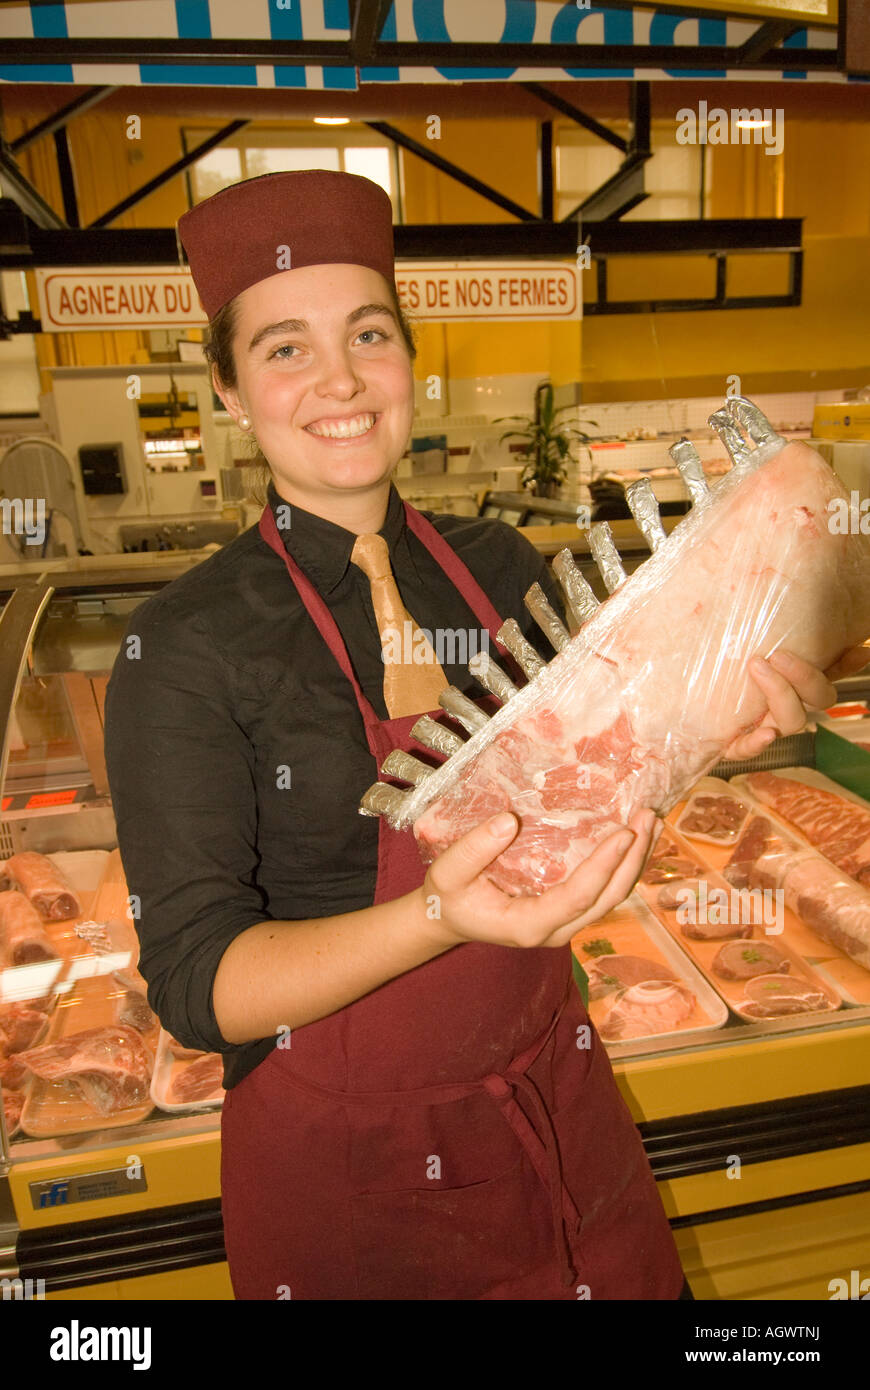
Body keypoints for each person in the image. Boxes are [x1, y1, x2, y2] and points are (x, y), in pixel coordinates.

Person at [104, 169, 859, 1302]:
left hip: (556, 1100)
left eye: (369, 332)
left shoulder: (500, 567)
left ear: (409, 354)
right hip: (353, 1178)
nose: (342, 380)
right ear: (226, 388)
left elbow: (608, 765)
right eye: (284, 349)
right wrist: (437, 916)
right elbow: (199, 983)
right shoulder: (185, 645)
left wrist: (726, 713)